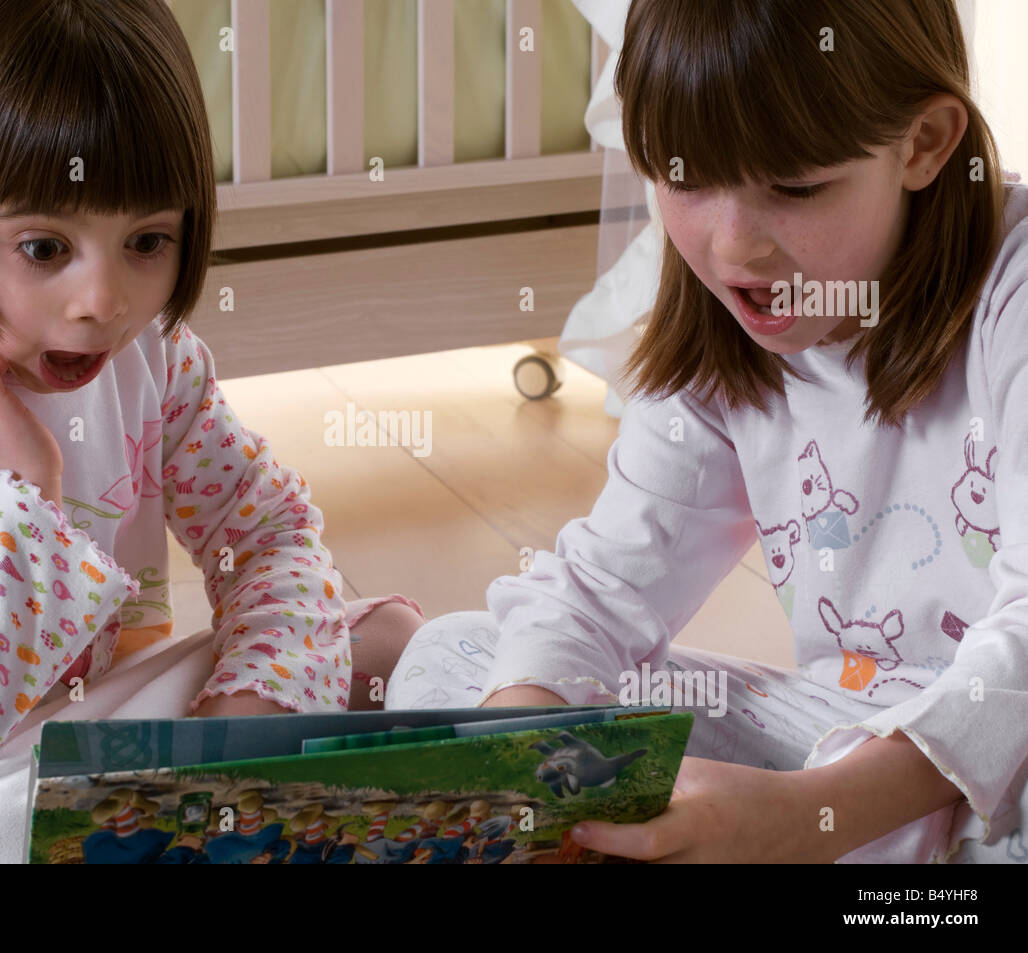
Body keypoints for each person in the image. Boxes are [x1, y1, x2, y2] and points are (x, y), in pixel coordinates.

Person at [0, 0, 423, 862]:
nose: (105, 302)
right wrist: (28, 491)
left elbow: (270, 531)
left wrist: (250, 713)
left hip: (73, 731)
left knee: (383, 648)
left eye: (147, 239)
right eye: (46, 249)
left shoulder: (153, 355)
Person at [387, 0, 1028, 864]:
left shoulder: (1011, 296)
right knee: (460, 656)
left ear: (923, 143)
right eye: (685, 182)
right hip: (845, 743)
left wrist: (810, 815)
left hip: (992, 770)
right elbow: (602, 587)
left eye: (795, 188)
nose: (736, 250)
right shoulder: (725, 335)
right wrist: (520, 748)